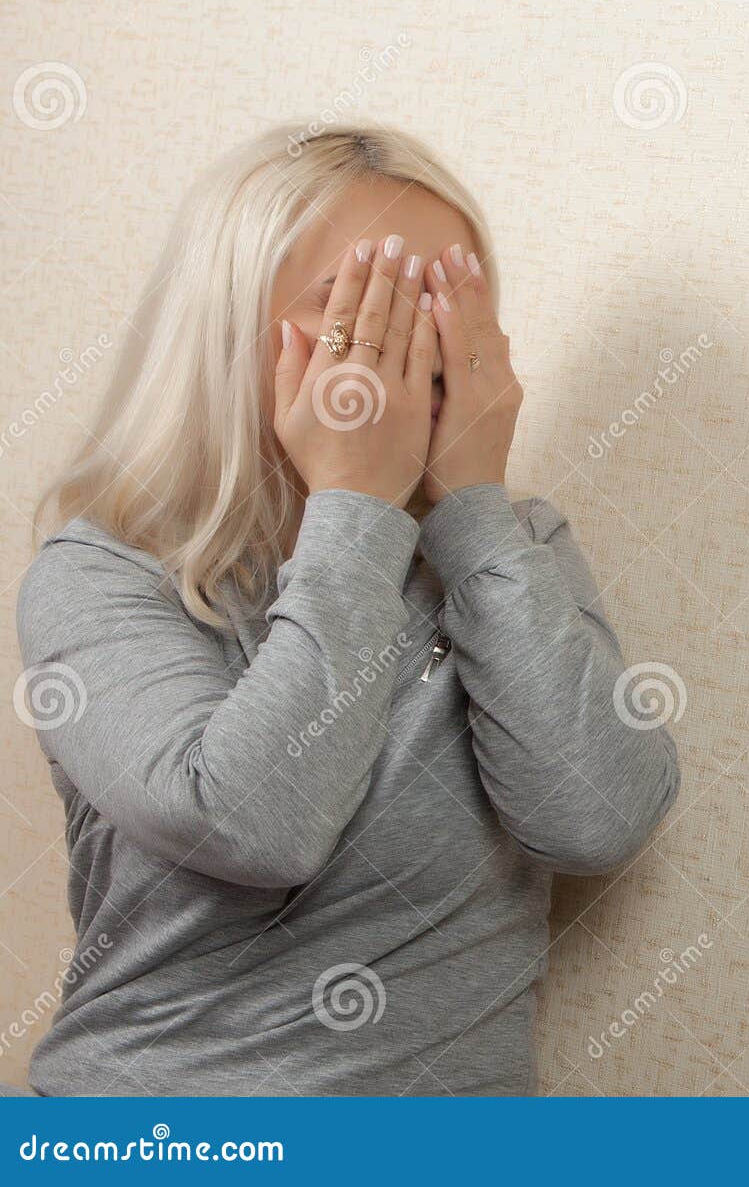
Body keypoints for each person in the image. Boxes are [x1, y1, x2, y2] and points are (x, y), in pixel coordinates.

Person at [15, 125, 679, 1095]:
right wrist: (358, 511)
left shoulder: (510, 546)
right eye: (361, 305)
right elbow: (253, 826)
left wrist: (473, 513)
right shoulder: (104, 574)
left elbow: (599, 820)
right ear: (227, 330)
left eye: (443, 306)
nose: (415, 348)